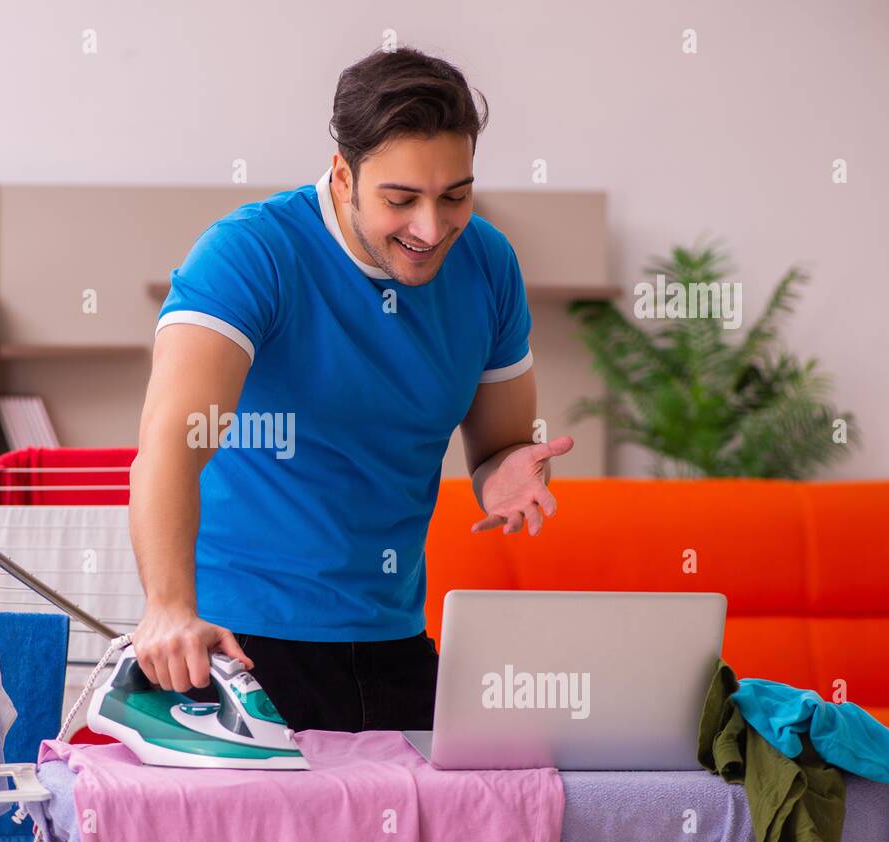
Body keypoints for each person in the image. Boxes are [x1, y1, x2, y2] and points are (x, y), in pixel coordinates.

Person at [127, 46, 574, 733]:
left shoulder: (488, 265)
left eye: (455, 195)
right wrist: (168, 607)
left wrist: (505, 471)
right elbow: (171, 440)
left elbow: (499, 447)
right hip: (240, 645)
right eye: (401, 200)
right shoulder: (252, 255)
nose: (431, 228)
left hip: (393, 641)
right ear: (343, 176)